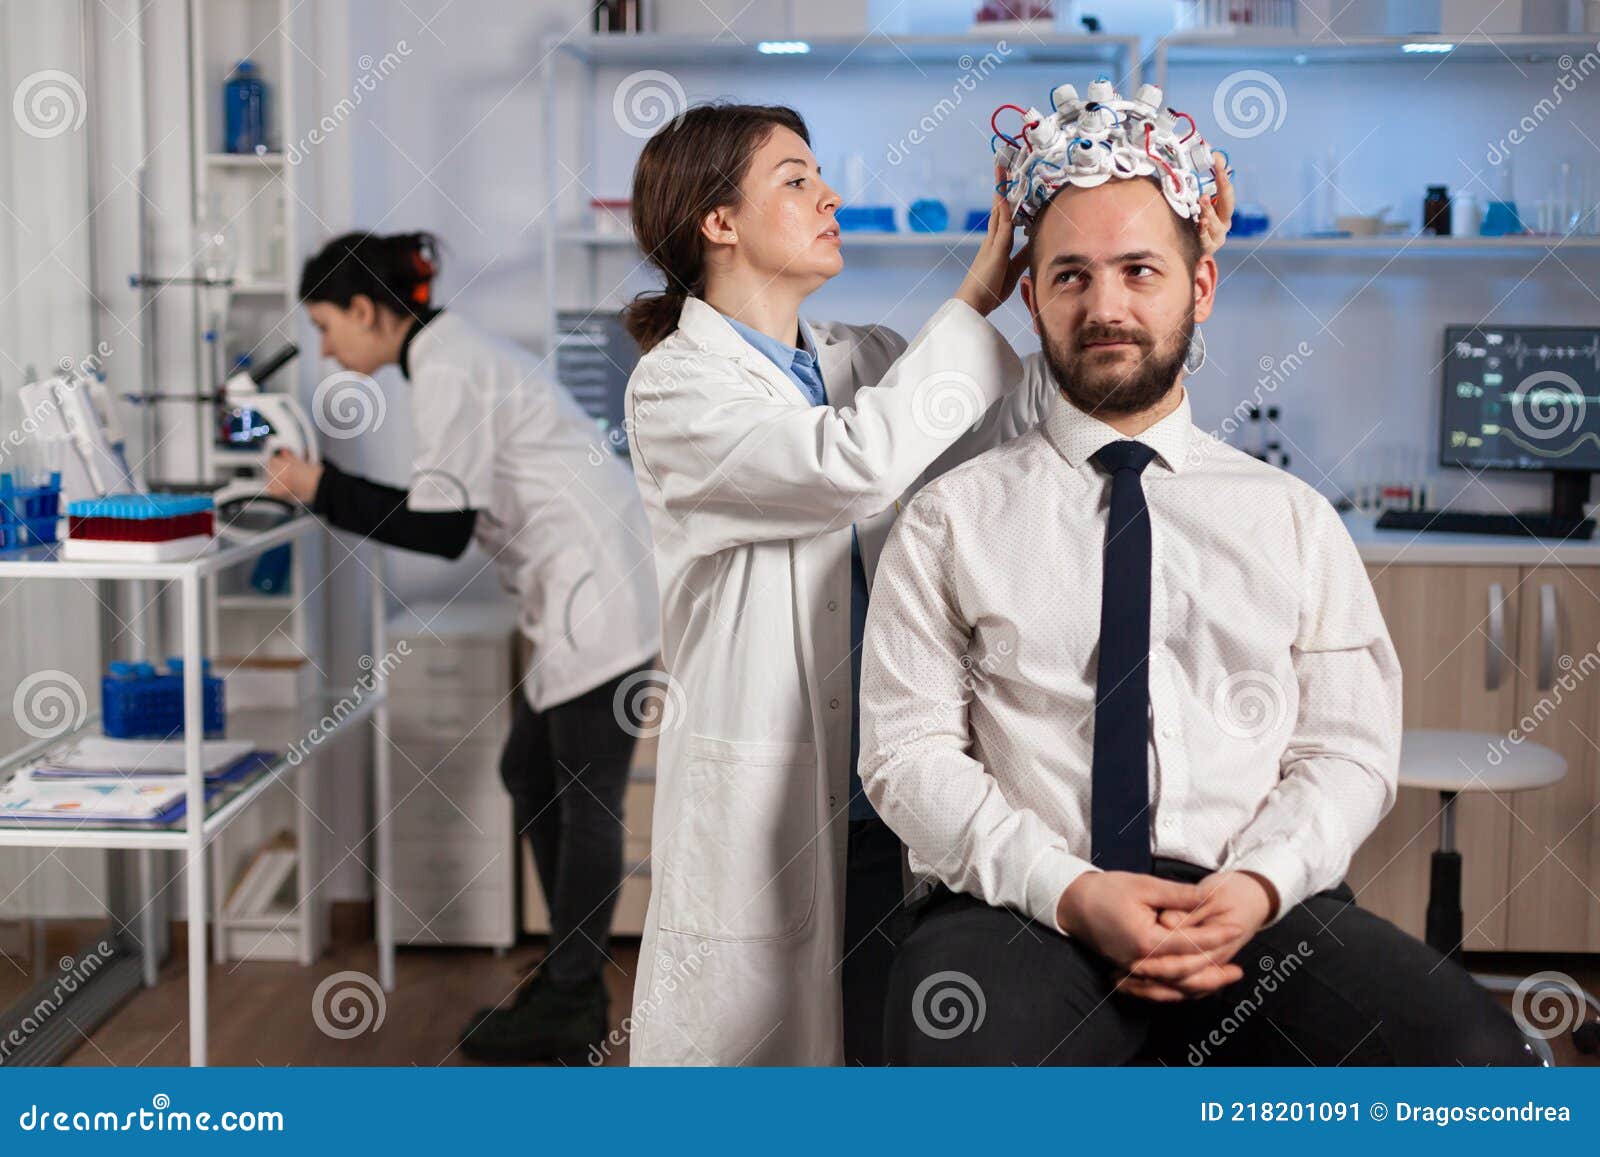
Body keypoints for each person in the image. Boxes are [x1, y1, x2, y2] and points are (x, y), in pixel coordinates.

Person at [857, 163, 1538, 1066]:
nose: (1106, 305)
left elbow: (1347, 747)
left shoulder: (1290, 517)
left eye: (1140, 270)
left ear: (1201, 286)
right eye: (1071, 275)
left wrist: (1260, 882)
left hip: (1253, 902)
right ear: (1031, 298)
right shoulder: (949, 518)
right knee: (965, 1063)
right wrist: (1069, 891)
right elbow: (906, 757)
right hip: (1020, 906)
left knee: (1470, 1057)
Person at [620, 101, 1235, 1065]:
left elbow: (1020, 420)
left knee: (878, 1043)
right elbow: (853, 466)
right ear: (718, 221)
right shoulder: (674, 389)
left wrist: (1118, 261)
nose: (828, 195)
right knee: (756, 1064)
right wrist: (982, 292)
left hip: (890, 789)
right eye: (794, 180)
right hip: (773, 796)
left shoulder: (859, 358)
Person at [265, 231, 660, 1064]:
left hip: (600, 588)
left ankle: (572, 999)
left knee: (587, 800)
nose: (328, 350)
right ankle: (569, 979)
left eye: (328, 327)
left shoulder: (447, 365)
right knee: (530, 771)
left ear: (368, 310)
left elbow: (439, 529)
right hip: (579, 583)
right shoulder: (445, 355)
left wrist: (316, 487)